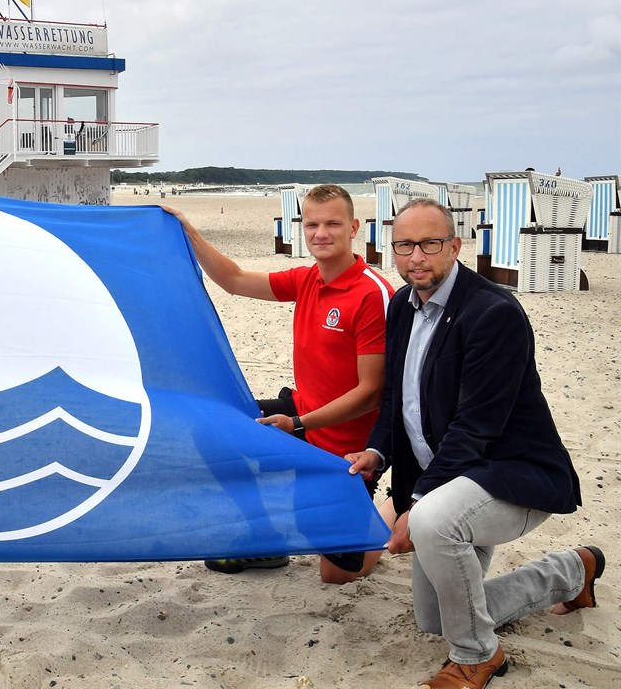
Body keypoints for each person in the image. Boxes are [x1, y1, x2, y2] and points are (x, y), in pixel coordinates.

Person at [345, 198, 603, 689]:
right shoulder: (402, 305)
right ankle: (572, 571)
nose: (416, 256)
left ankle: (476, 655)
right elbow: (396, 399)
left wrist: (417, 503)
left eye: (429, 244)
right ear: (391, 251)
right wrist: (378, 453)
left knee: (433, 524)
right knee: (435, 618)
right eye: (404, 245)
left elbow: (476, 426)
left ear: (455, 246)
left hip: (512, 474)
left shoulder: (492, 313)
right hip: (453, 478)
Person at [164, 184, 396, 583]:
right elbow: (234, 279)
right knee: (214, 430)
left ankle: (390, 514)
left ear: (354, 227)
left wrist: (300, 426)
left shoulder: (371, 294)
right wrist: (189, 231)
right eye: (312, 224)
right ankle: (265, 539)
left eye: (333, 224)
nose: (321, 233)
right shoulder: (306, 279)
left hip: (349, 447)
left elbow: (371, 392)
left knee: (336, 575)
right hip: (302, 414)